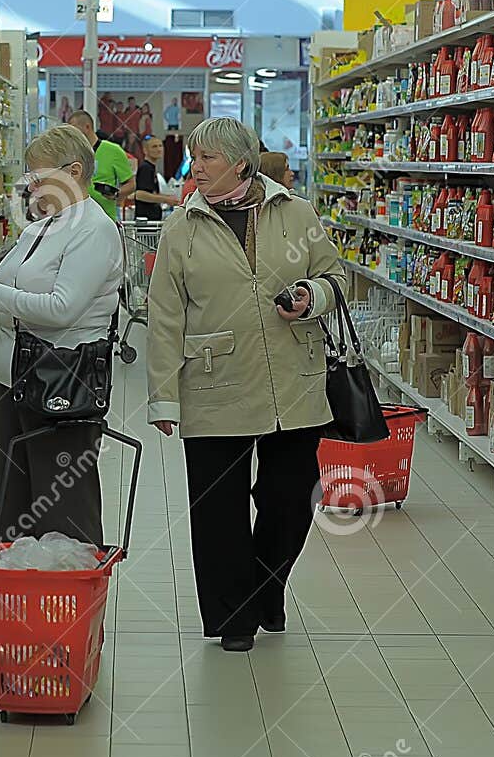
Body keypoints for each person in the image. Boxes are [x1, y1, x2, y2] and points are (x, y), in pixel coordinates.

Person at [145, 117, 344, 653]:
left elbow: (335, 277)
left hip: (290, 378)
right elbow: (164, 317)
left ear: (240, 163)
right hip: (214, 379)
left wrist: (312, 296)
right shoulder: (182, 228)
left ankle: (266, 586)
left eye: (207, 158)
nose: (196, 167)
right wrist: (163, 396)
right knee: (218, 507)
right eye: (195, 157)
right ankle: (233, 617)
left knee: (291, 497)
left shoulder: (296, 213)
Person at [0, 124, 123, 649]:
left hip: (62, 382)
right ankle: (12, 616)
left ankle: (65, 625)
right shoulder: (42, 226)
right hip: (13, 380)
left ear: (73, 172)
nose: (30, 185)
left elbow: (61, 309)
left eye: (37, 175)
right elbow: (7, 287)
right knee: (15, 501)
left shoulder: (94, 230)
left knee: (62, 505)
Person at [68, 108, 129, 221]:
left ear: (87, 127)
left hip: (106, 218)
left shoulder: (113, 151)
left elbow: (131, 184)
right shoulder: (72, 154)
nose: (71, 134)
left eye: (73, 128)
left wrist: (115, 194)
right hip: (77, 218)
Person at [121, 134, 171, 221]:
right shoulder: (145, 168)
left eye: (160, 146)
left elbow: (150, 192)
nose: (159, 149)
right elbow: (140, 194)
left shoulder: (152, 168)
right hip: (145, 220)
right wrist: (166, 199)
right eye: (154, 146)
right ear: (145, 150)